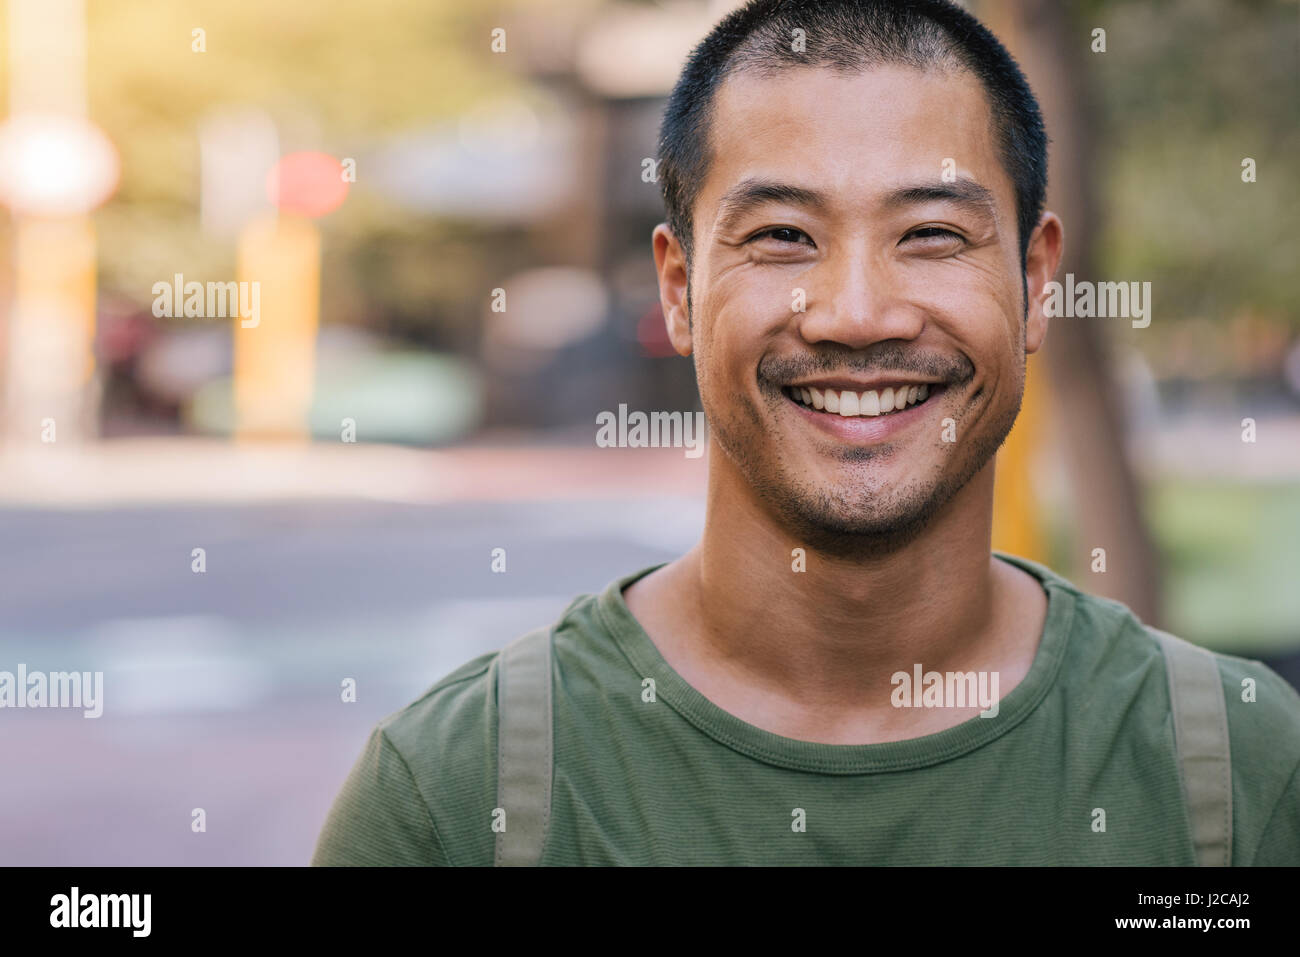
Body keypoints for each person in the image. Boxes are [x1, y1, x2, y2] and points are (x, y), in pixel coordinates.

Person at [312, 0, 1300, 866]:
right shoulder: (456, 800)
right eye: (782, 236)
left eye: (931, 235)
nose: (856, 314)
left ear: (1036, 283)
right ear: (681, 290)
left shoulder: (1239, 778)